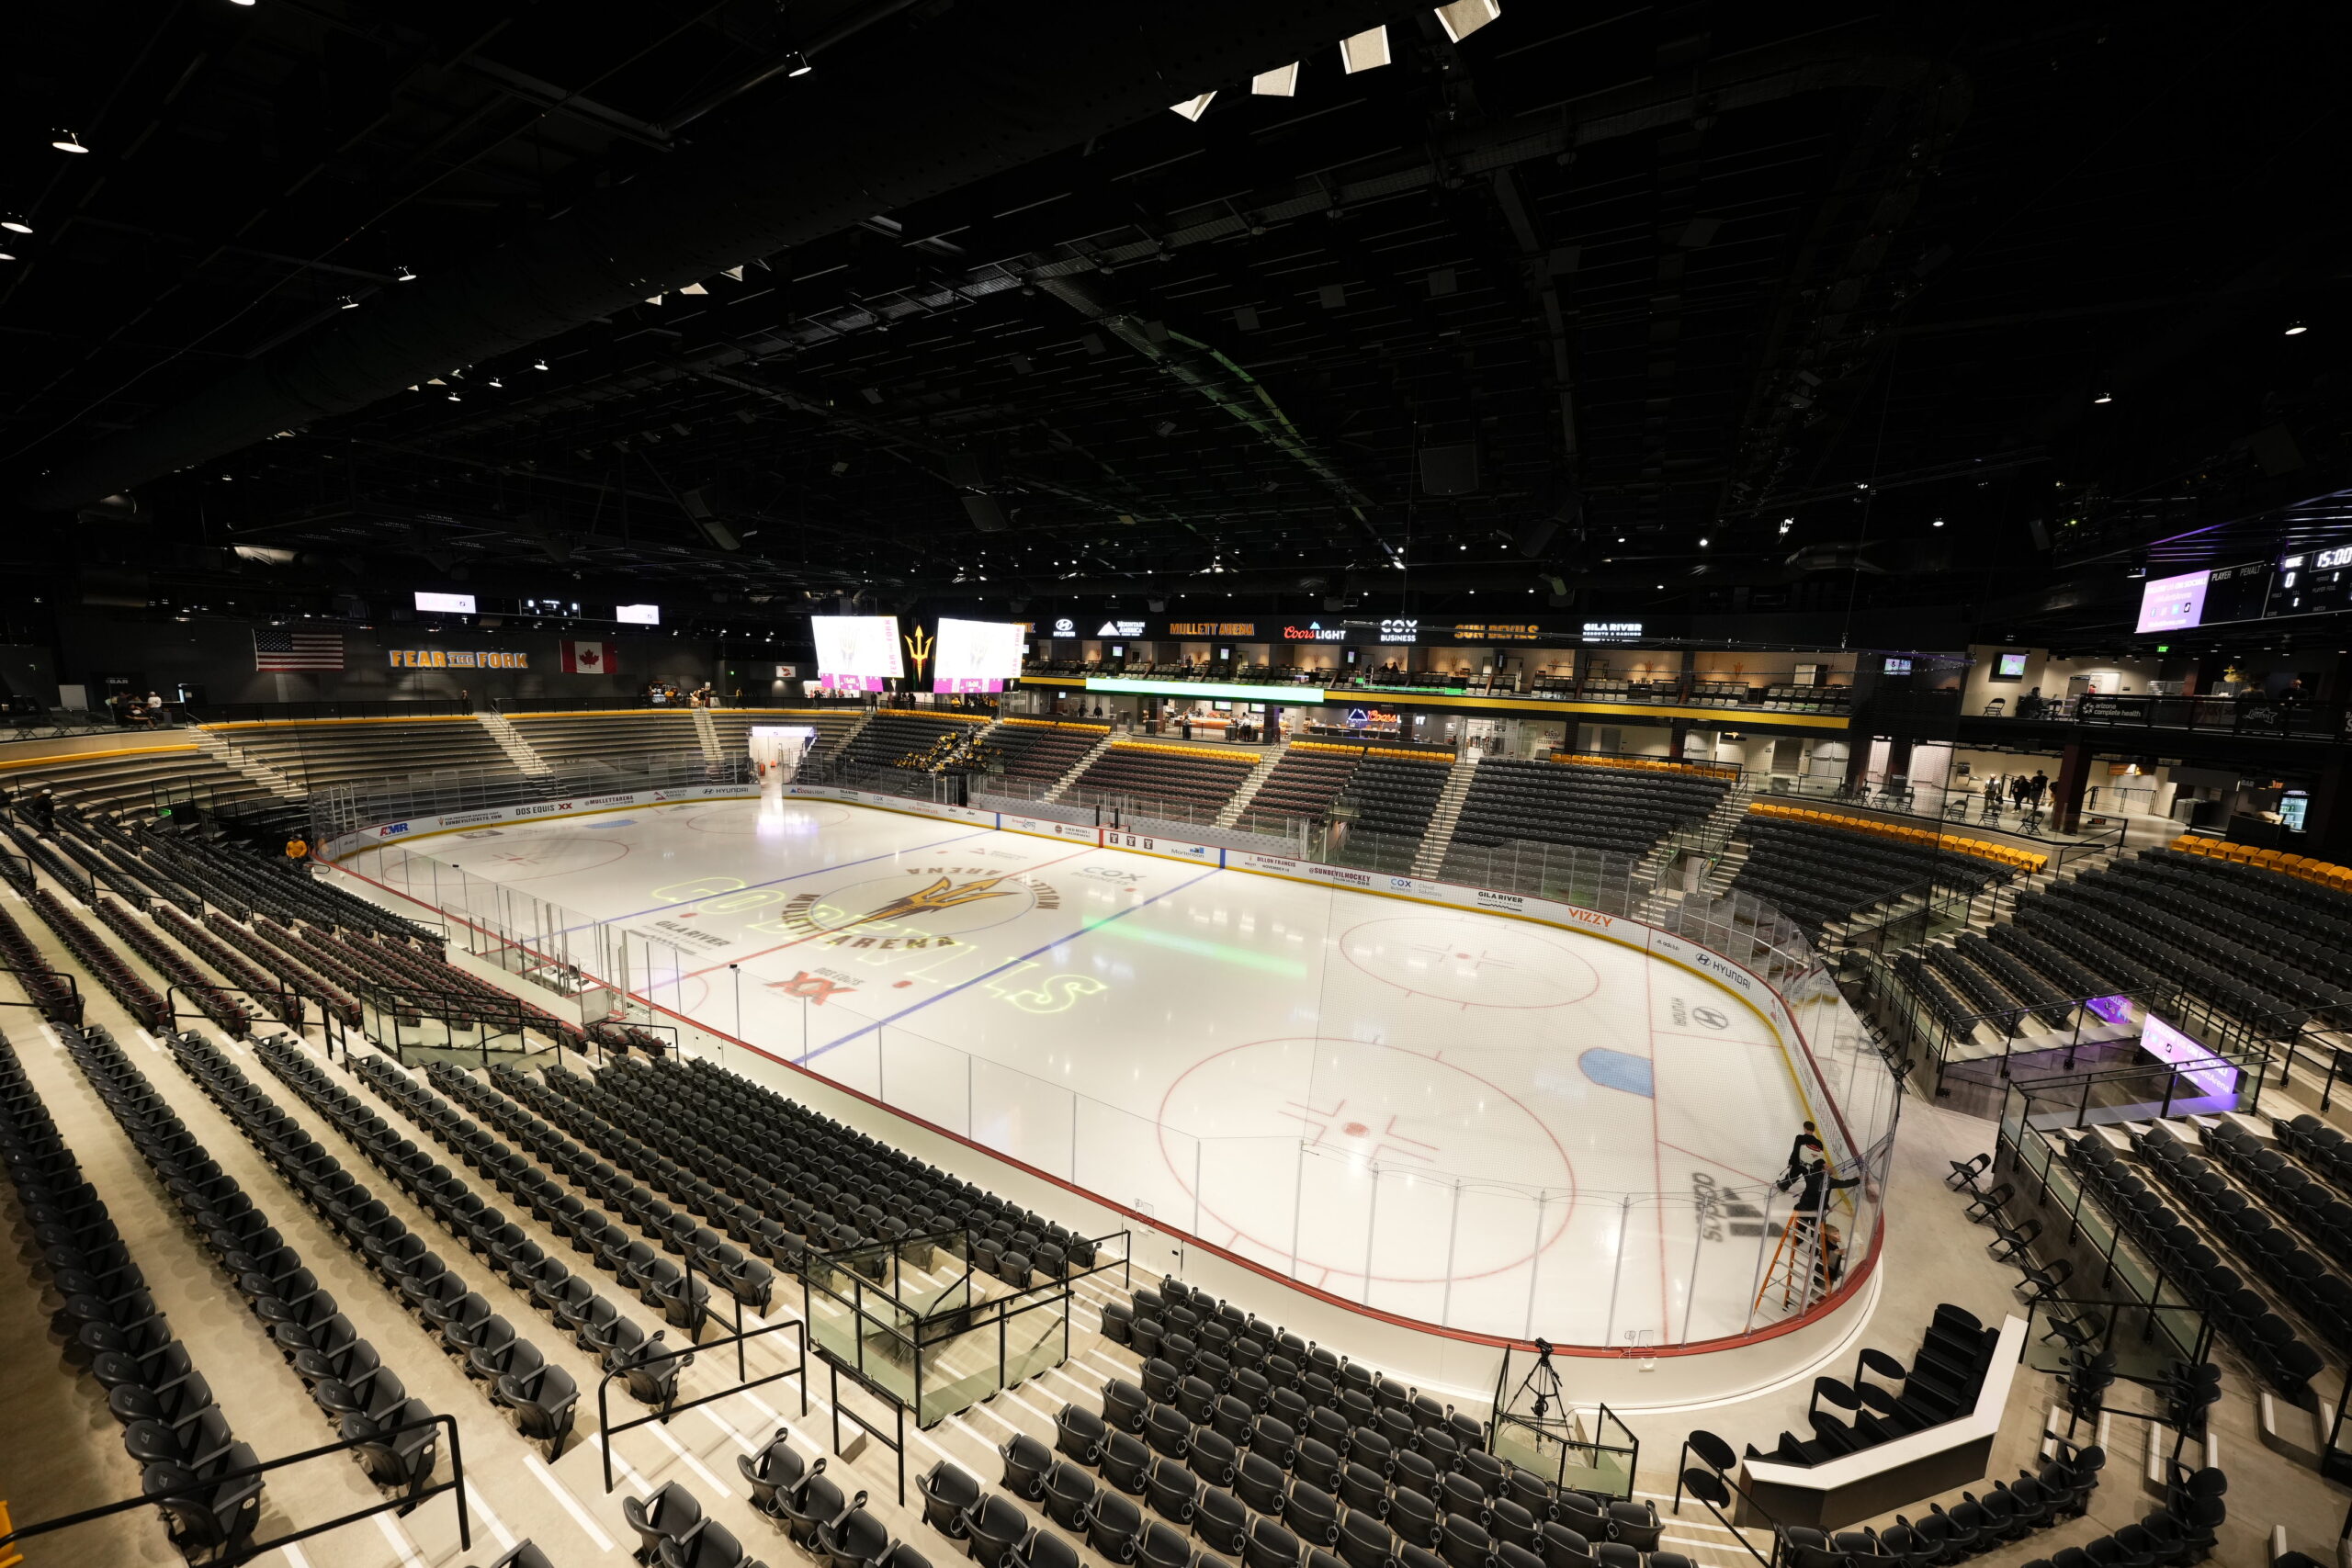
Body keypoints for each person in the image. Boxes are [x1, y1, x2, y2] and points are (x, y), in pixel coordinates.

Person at [1775, 1122, 1825, 1191]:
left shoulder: (1800, 1138)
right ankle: (1813, 1194)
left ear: (1805, 1129)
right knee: (1810, 1182)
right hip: (1810, 1167)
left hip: (1799, 1163)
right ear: (1813, 1130)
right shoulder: (1819, 1143)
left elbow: (1795, 1151)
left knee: (1792, 1176)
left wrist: (1791, 1162)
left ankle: (1783, 1186)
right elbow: (1819, 1156)